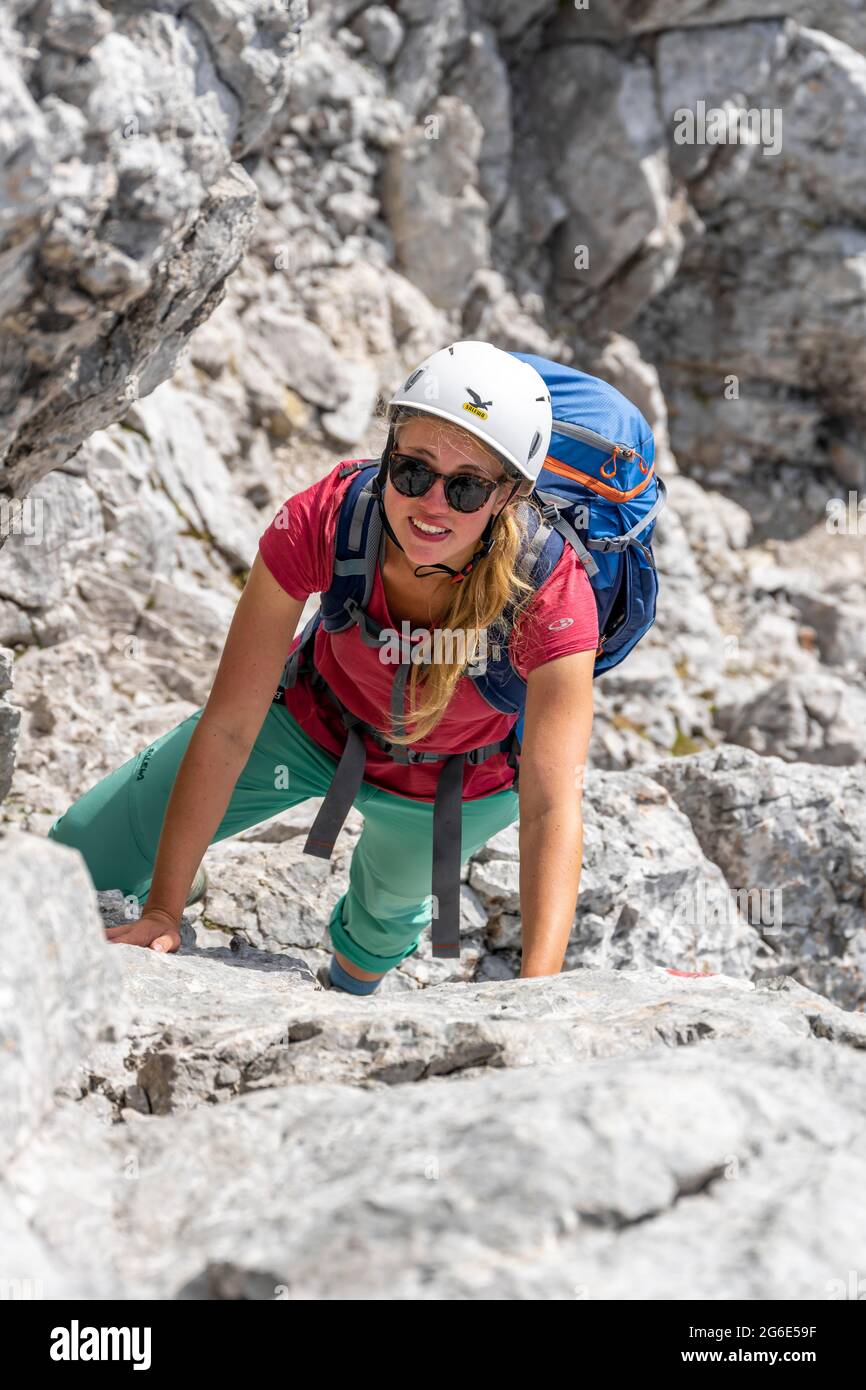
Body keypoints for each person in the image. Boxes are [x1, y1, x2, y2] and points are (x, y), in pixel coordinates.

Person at [47, 340, 598, 993]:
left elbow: (550, 805)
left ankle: (358, 970)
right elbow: (229, 726)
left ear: (509, 496)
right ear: (388, 454)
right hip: (311, 725)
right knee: (74, 858)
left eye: (468, 486)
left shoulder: (551, 595)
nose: (433, 504)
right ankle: (181, 865)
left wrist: (540, 996)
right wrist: (163, 909)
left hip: (457, 785)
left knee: (374, 945)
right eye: (414, 471)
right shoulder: (328, 518)